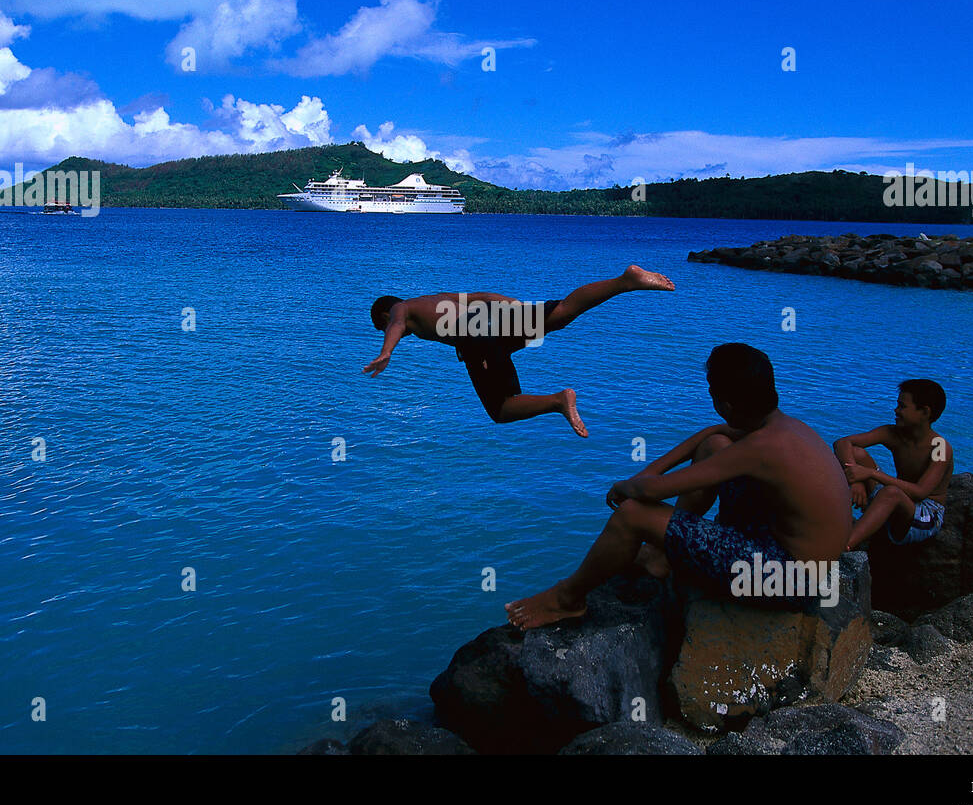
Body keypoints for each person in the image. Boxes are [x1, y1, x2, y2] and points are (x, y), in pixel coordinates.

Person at [504, 344, 852, 629]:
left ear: (724, 403)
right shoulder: (784, 429)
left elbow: (652, 494)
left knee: (633, 516)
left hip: (786, 581)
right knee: (714, 445)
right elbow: (709, 437)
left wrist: (628, 487)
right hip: (798, 563)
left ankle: (567, 599)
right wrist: (646, 474)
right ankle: (661, 554)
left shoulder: (763, 448)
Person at [364, 265, 674, 437]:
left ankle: (557, 401)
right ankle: (626, 281)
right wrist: (518, 308)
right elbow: (482, 296)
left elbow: (396, 324)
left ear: (383, 314)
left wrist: (386, 350)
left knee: (501, 409)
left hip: (478, 336)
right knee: (563, 312)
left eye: (383, 324)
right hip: (493, 321)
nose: (399, 332)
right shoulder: (436, 298)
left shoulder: (399, 310)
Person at [834, 379, 952, 550]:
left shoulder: (939, 447)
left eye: (902, 406)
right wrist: (855, 481)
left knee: (891, 493)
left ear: (925, 412)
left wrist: (870, 473)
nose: (896, 410)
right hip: (896, 502)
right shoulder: (893, 433)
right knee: (857, 453)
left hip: (925, 516)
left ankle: (844, 545)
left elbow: (920, 492)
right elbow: (843, 443)